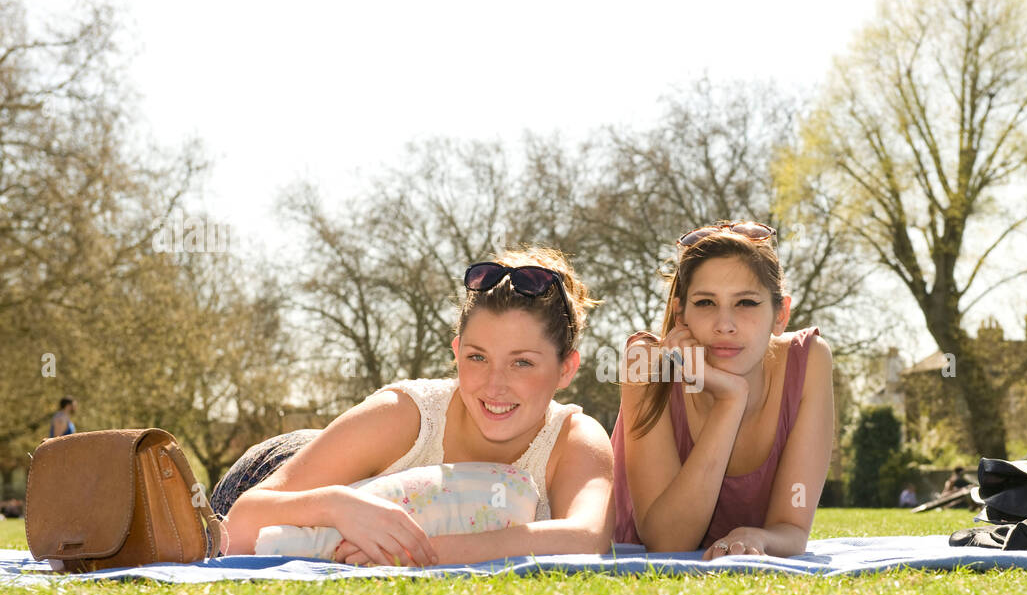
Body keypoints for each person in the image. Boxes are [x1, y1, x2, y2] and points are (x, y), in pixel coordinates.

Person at [214, 248, 615, 566]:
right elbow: (239, 525)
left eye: (522, 362)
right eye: (477, 357)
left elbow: (588, 536)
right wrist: (334, 505)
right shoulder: (403, 413)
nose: (495, 385)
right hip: (282, 465)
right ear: (456, 352)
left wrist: (416, 553)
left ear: (566, 369)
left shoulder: (572, 439)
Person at [611, 220, 835, 559]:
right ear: (681, 315)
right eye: (705, 303)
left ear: (781, 314)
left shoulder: (809, 361)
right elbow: (668, 542)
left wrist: (757, 537)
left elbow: (792, 527)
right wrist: (730, 399)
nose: (725, 325)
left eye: (746, 303)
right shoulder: (645, 363)